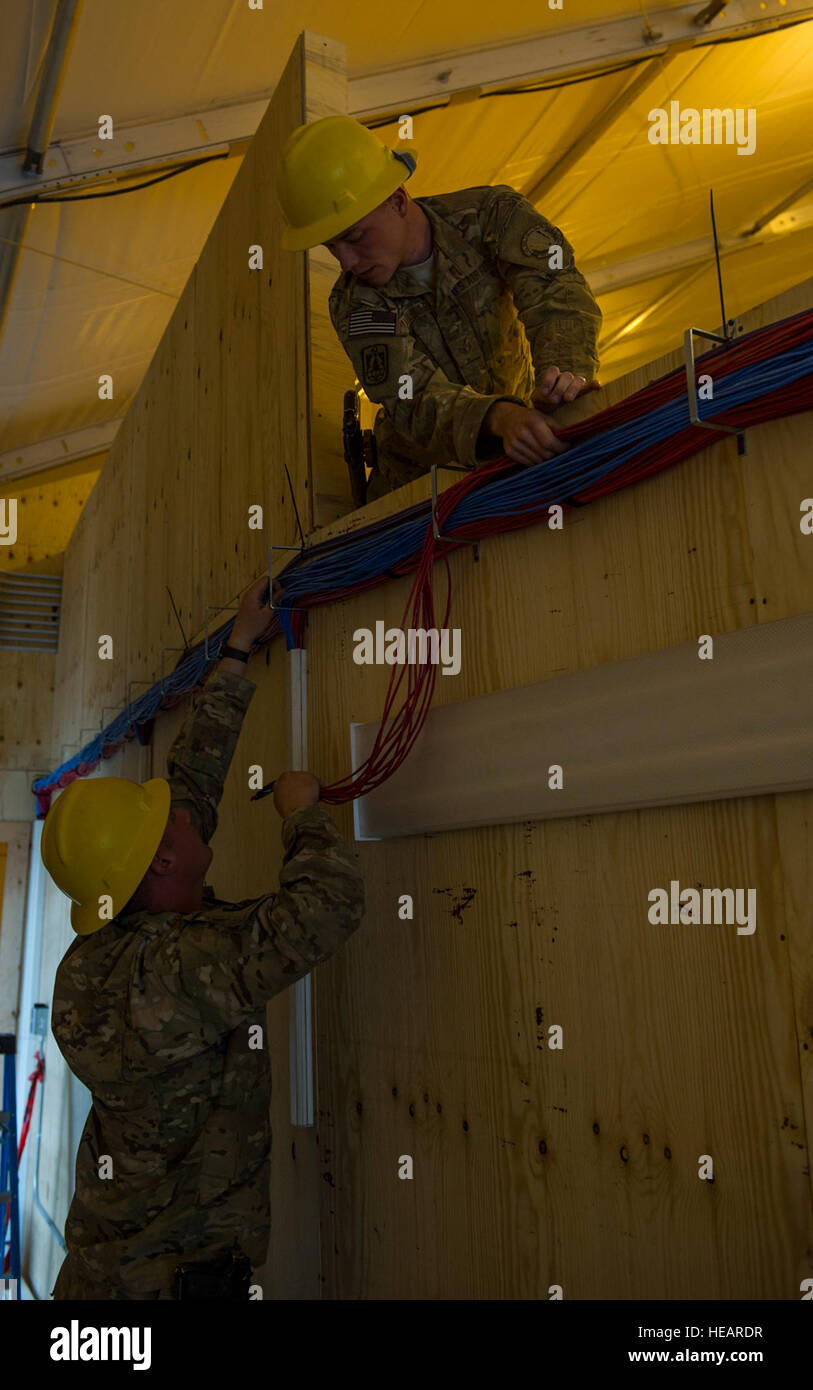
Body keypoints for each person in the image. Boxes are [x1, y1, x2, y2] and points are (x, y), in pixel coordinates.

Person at [41, 574, 365, 1300]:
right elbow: (327, 904)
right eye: (169, 820)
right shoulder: (176, 971)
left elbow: (190, 786)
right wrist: (301, 814)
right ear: (159, 860)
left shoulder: (103, 951)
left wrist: (238, 648)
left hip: (101, 1284)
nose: (184, 813)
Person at [277, 115, 602, 500]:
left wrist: (561, 380)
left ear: (397, 201)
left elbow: (558, 296)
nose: (346, 262)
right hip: (417, 499)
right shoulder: (354, 303)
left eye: (354, 237)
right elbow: (411, 397)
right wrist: (500, 417)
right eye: (332, 247)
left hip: (520, 456)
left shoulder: (493, 217)